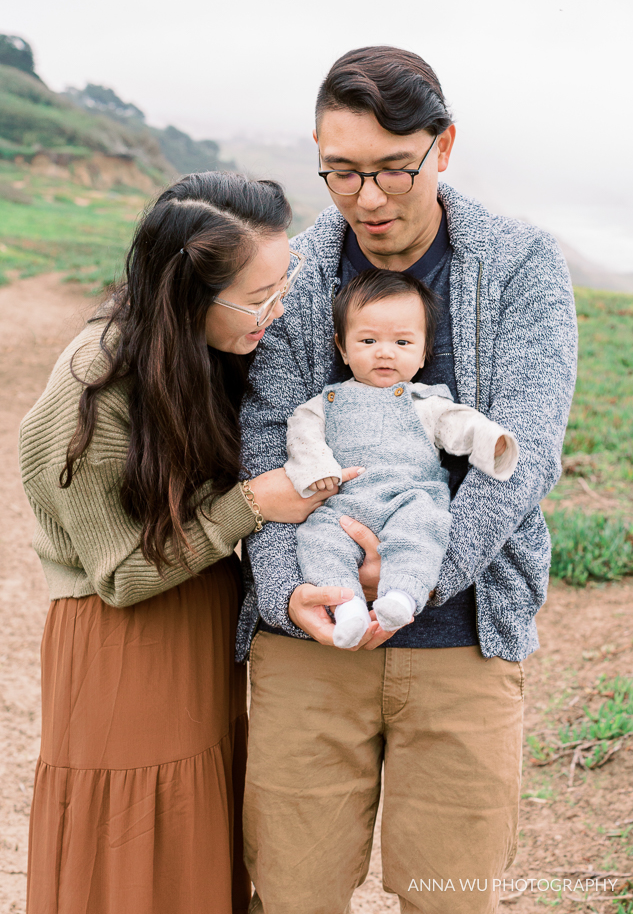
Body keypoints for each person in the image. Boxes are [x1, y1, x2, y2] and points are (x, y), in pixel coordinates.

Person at [238, 47, 578, 913]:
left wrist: (423, 573)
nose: (369, 198)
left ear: (444, 146)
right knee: (292, 894)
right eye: (341, 172)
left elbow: (524, 451)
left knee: (450, 896)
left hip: (462, 641)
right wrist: (288, 594)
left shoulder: (520, 264)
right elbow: (267, 438)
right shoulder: (294, 268)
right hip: (309, 646)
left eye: (394, 168)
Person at [19, 171, 359, 914]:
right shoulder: (91, 386)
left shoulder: (210, 351)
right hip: (122, 640)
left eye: (283, 284)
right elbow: (118, 576)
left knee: (196, 825)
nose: (274, 310)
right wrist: (248, 506)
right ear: (185, 296)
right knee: (131, 843)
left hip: (204, 616)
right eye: (256, 298)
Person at [285, 269, 519, 648]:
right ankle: (348, 609)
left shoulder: (425, 402)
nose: (384, 351)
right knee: (318, 541)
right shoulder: (326, 404)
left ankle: (402, 595)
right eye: (368, 339)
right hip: (342, 505)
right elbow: (302, 433)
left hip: (408, 498)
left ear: (424, 351)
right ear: (342, 347)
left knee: (423, 530)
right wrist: (317, 469)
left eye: (402, 342)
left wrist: (491, 442)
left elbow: (459, 424)